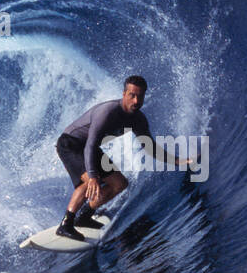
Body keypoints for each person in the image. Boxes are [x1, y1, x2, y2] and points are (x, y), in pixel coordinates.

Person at [54, 75, 193, 240]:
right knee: (90, 182)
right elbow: (91, 144)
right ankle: (66, 224)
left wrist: (178, 161)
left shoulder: (138, 120)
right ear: (124, 94)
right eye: (132, 95)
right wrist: (92, 176)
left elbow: (150, 147)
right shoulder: (108, 112)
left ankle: (84, 216)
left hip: (88, 148)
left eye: (140, 96)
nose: (136, 101)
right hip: (71, 144)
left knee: (119, 184)